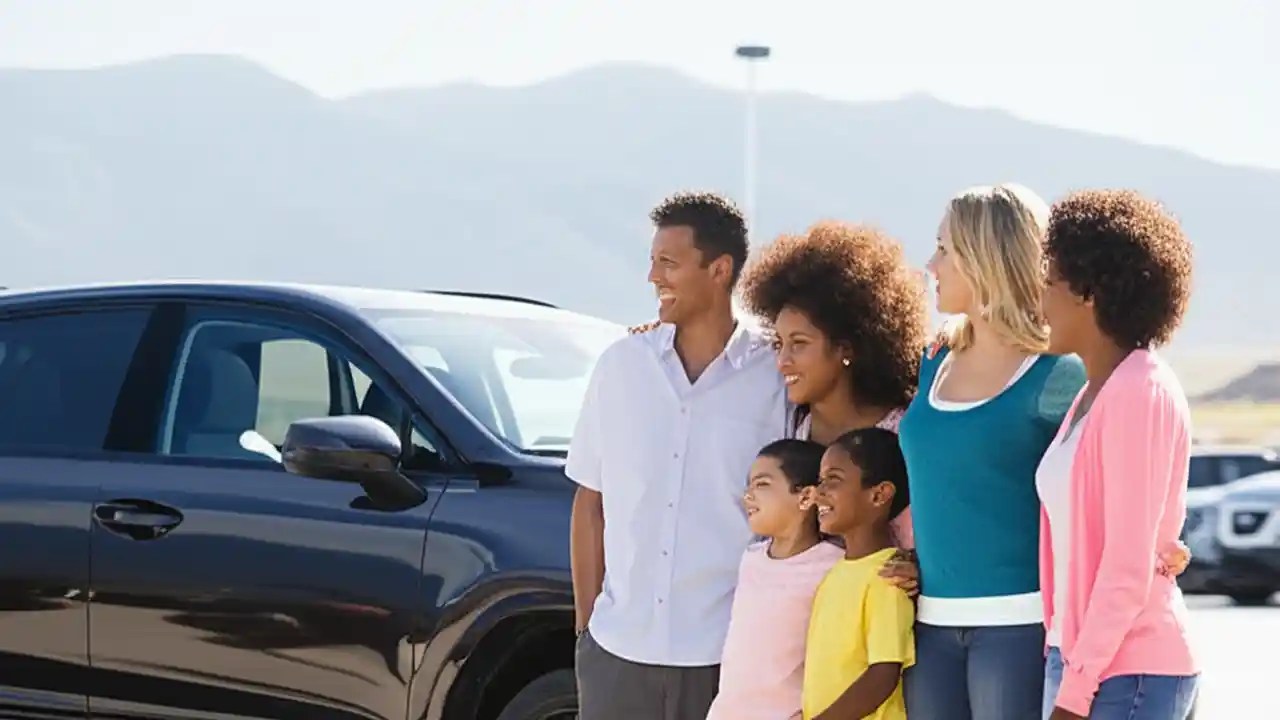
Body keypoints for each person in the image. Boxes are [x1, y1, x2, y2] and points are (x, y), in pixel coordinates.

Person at [891, 183, 1189, 720]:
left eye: (945, 248)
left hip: (1024, 628)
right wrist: (909, 552)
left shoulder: (1070, 375)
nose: (931, 264)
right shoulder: (933, 362)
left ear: (987, 259)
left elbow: (1114, 505)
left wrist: (1163, 540)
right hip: (931, 626)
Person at [567, 191, 788, 720]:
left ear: (719, 269)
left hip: (728, 657)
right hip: (616, 655)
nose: (652, 277)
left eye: (668, 262)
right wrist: (586, 632)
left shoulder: (774, 377)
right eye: (652, 261)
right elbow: (589, 504)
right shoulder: (620, 367)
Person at [1037, 189, 1199, 720]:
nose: (1040, 302)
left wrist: (1075, 693)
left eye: (1049, 284)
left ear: (1089, 292)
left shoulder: (1138, 391)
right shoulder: (1093, 392)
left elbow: (1127, 566)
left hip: (1127, 674)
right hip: (1083, 661)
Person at [737, 220, 928, 547]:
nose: (783, 361)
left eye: (799, 343)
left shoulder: (907, 433)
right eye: (778, 344)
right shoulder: (786, 423)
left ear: (846, 349)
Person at [706, 439, 843, 720]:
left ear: (806, 498)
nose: (748, 496)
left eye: (762, 484)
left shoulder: (833, 566)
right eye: (748, 486)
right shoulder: (751, 559)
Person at [803, 428, 915, 720]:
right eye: (820, 480)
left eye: (834, 480)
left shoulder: (889, 576)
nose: (819, 492)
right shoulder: (835, 575)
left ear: (879, 494)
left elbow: (883, 675)